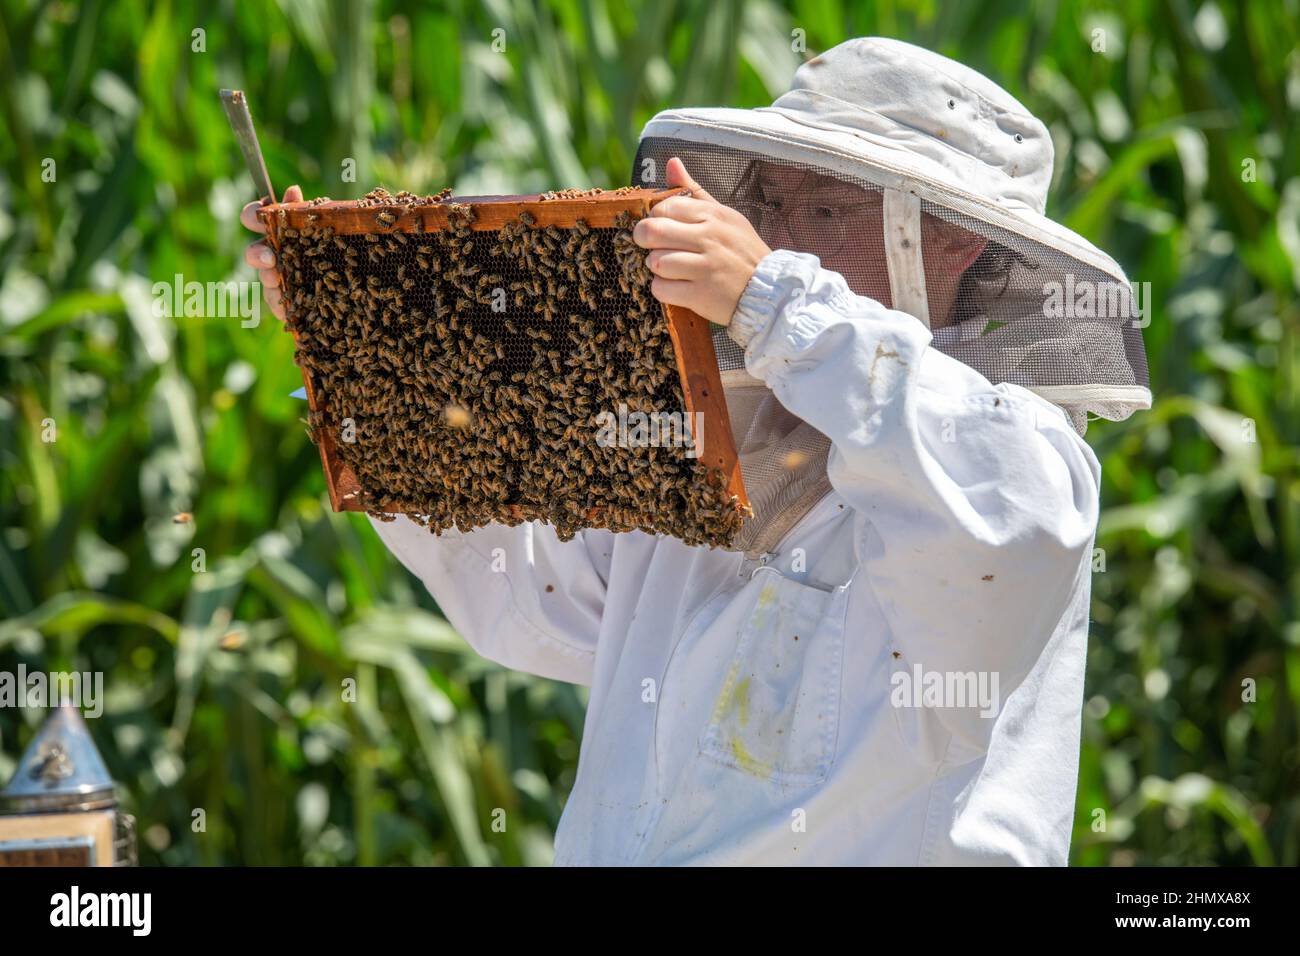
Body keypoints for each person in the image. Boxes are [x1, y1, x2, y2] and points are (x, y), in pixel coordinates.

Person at [242, 37, 1151, 865]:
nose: (782, 239)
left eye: (827, 208)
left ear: (947, 246)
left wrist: (773, 301)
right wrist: (362, 365)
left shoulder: (1019, 462)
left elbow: (1000, 537)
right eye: (775, 206)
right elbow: (534, 598)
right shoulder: (701, 446)